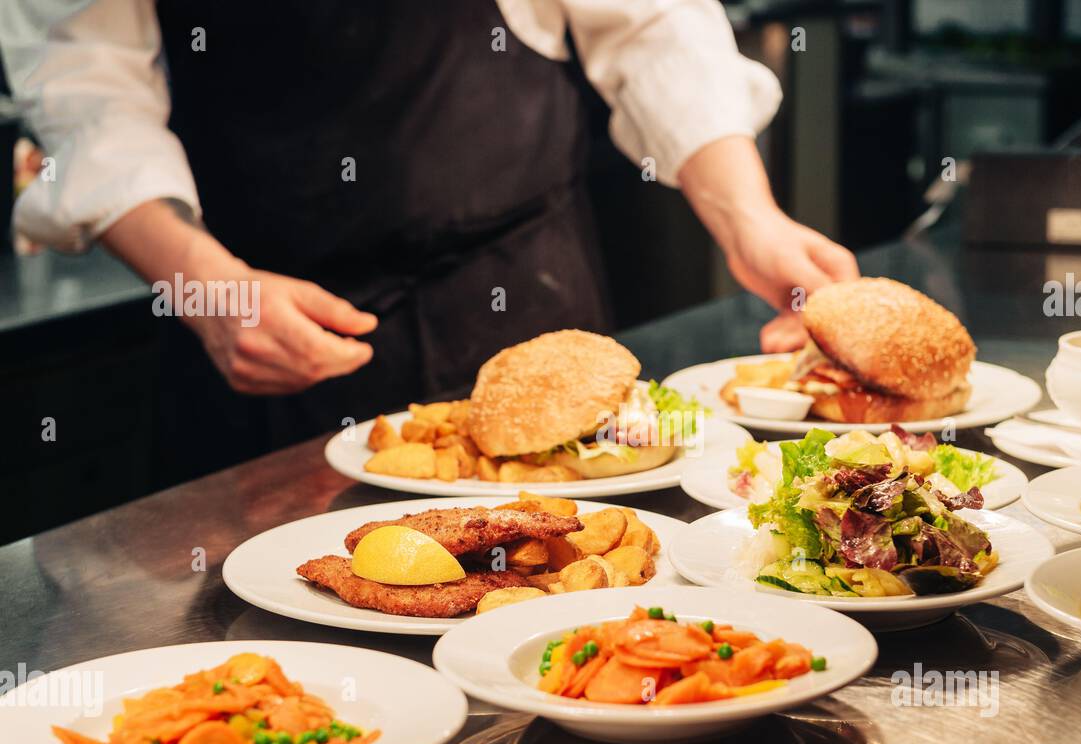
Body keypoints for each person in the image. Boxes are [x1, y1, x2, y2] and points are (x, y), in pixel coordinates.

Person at [0, 0, 853, 462]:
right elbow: (84, 87)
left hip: (524, 301)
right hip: (255, 330)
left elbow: (649, 20)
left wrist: (750, 219)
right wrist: (201, 283)